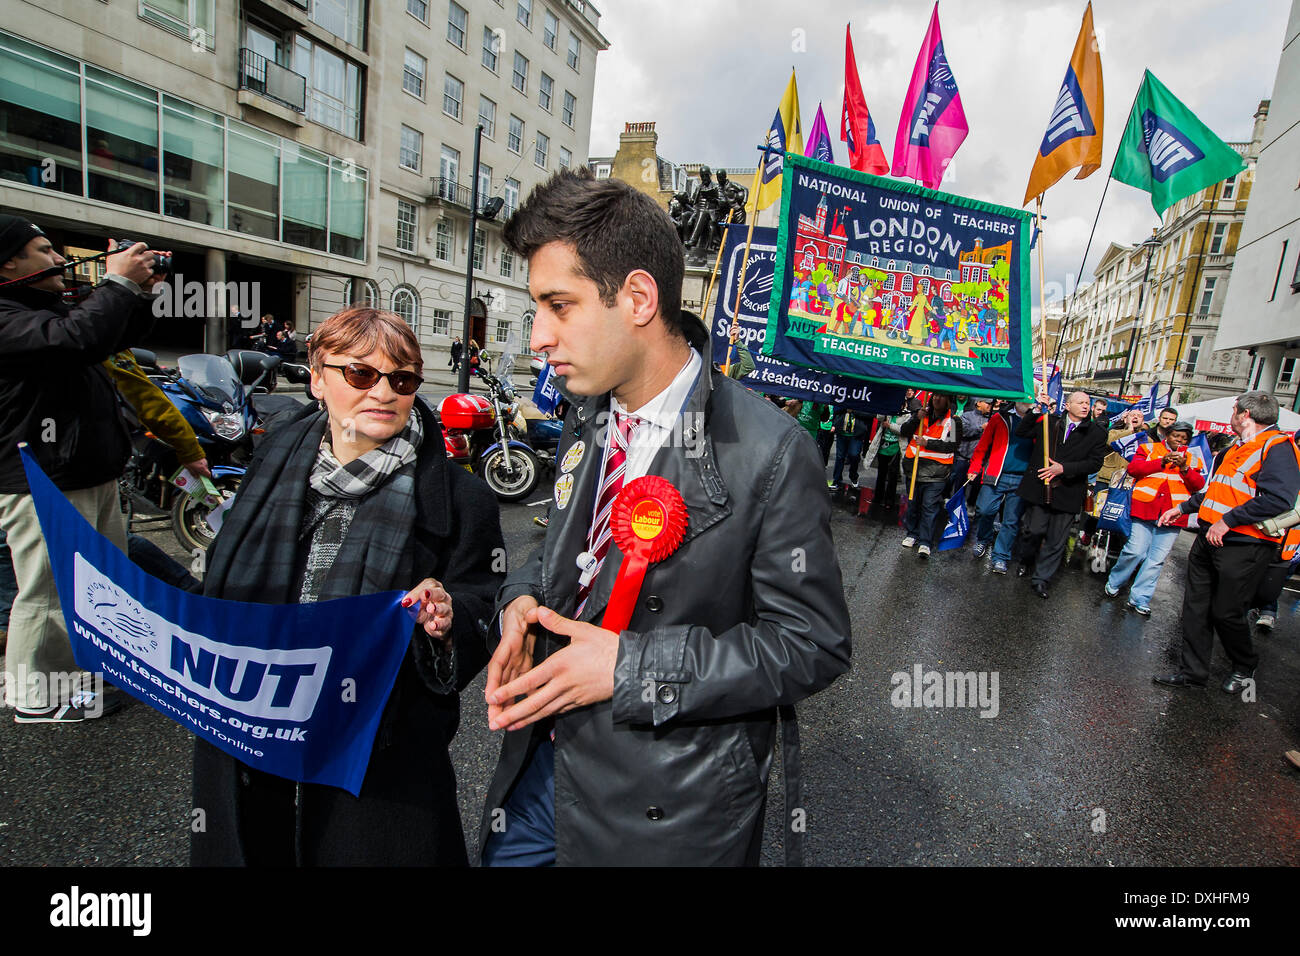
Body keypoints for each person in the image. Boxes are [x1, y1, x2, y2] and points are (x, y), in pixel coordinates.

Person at [478, 169, 851, 867]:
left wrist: (630, 667)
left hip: (666, 811)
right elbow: (561, 549)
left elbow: (812, 645)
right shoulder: (587, 412)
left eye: (558, 306)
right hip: (540, 777)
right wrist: (521, 602)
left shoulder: (770, 453)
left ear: (639, 298)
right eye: (537, 309)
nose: (538, 337)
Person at [190, 306, 505, 865]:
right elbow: (224, 569)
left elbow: (486, 604)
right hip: (253, 724)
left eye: (402, 379)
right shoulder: (272, 460)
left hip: (381, 750)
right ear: (317, 377)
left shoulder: (461, 498)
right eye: (360, 374)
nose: (382, 392)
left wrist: (449, 616)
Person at [0, 218, 163, 722]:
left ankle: (88, 678)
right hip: (42, 479)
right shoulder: (8, 317)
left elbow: (104, 337)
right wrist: (116, 284)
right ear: (8, 263)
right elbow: (74, 339)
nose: (56, 258)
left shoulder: (46, 309)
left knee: (100, 587)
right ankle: (35, 696)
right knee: (49, 591)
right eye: (44, 249)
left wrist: (136, 293)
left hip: (88, 473)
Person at [1154, 392, 1300, 693]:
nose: (1230, 415)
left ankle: (1245, 664)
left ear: (1245, 414)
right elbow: (1216, 491)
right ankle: (1192, 672)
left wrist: (1228, 521)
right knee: (1195, 609)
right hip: (1210, 536)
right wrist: (1182, 508)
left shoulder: (1277, 447)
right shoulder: (1235, 448)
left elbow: (1278, 499)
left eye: (1234, 411)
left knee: (1227, 612)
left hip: (1245, 543)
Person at [1013, 390, 1108, 598]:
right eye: (1080, 402)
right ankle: (1025, 560)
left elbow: (1095, 463)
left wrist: (1064, 468)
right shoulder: (1049, 421)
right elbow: (1022, 431)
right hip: (1040, 487)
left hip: (1069, 491)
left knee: (1057, 540)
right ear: (1067, 405)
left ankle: (1041, 579)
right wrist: (1037, 408)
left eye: (1087, 403)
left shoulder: (1096, 432)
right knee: (1033, 530)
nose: (1085, 406)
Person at [1104, 421, 1205, 616]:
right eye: (1176, 436)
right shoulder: (1149, 448)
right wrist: (1162, 461)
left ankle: (1140, 598)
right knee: (1135, 551)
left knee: (1156, 560)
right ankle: (1115, 581)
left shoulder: (1193, 458)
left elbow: (1198, 485)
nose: (1180, 441)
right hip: (1144, 509)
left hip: (1172, 515)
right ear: (1167, 435)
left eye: (1184, 438)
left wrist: (1185, 468)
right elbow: (1134, 469)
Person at [969, 400, 1033, 571]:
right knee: (984, 510)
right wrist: (975, 467)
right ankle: (983, 538)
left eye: (1030, 398)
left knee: (1011, 521)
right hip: (996, 473)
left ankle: (1001, 556)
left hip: (1022, 477)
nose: (1027, 401)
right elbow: (983, 445)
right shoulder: (999, 418)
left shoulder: (1037, 420)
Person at [899, 393, 959, 559]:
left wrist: (928, 443)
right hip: (915, 468)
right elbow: (904, 431)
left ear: (948, 400)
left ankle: (925, 541)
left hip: (936, 473)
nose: (936, 399)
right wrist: (915, 419)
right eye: (935, 396)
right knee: (912, 504)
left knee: (929, 507)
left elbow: (952, 445)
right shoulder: (921, 413)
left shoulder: (953, 420)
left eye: (941, 396)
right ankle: (912, 533)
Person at [868, 402, 908, 521]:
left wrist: (890, 426)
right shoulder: (888, 412)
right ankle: (878, 497)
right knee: (881, 473)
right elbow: (879, 417)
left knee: (892, 476)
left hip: (896, 448)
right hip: (883, 447)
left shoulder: (906, 415)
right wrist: (885, 405)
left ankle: (889, 500)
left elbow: (904, 430)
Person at [951, 397, 991, 501]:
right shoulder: (967, 415)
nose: (989, 406)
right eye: (987, 403)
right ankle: (955, 506)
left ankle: (971, 506)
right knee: (959, 485)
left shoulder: (991, 419)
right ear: (978, 403)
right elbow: (964, 431)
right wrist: (981, 428)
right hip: (963, 457)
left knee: (976, 487)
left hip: (979, 461)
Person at [830, 405, 869, 493]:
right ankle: (836, 480)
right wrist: (834, 424)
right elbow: (836, 409)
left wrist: (853, 410)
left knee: (854, 455)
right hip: (841, 432)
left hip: (856, 434)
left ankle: (853, 476)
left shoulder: (864, 398)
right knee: (839, 457)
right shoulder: (845, 396)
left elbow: (870, 414)